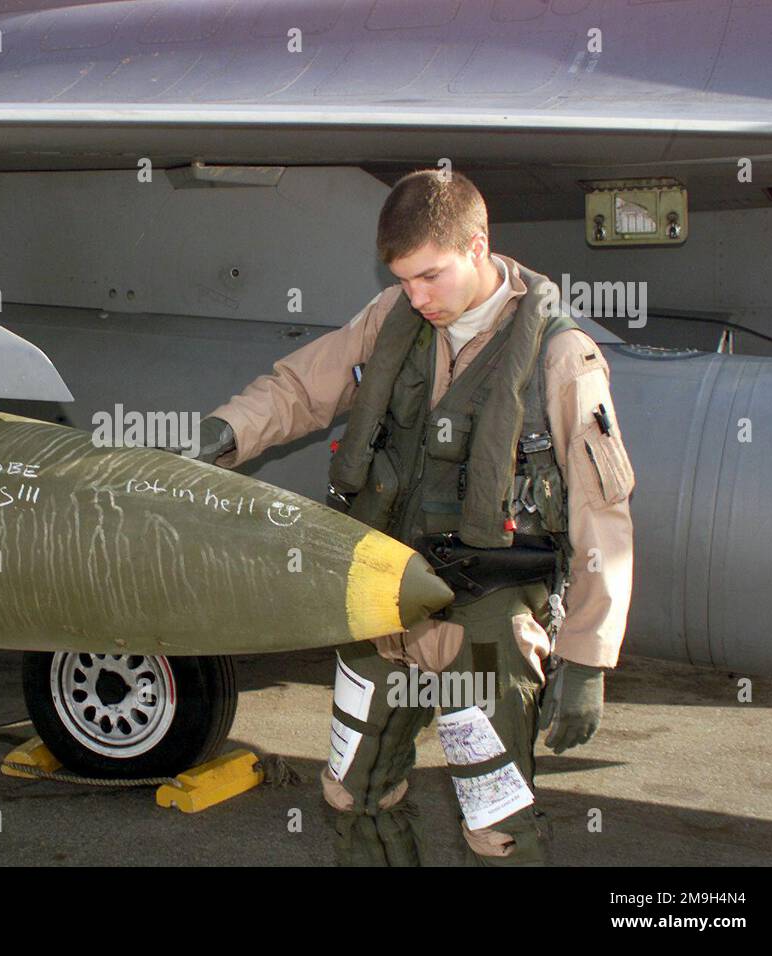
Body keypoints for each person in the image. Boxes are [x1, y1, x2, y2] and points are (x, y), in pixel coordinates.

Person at [194, 169, 636, 866]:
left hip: (487, 610)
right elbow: (301, 388)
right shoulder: (392, 321)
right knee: (351, 790)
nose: (417, 296)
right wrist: (223, 433)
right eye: (403, 279)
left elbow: (602, 513)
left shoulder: (559, 353)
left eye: (430, 276)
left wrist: (587, 656)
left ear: (478, 245)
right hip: (385, 592)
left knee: (496, 828)